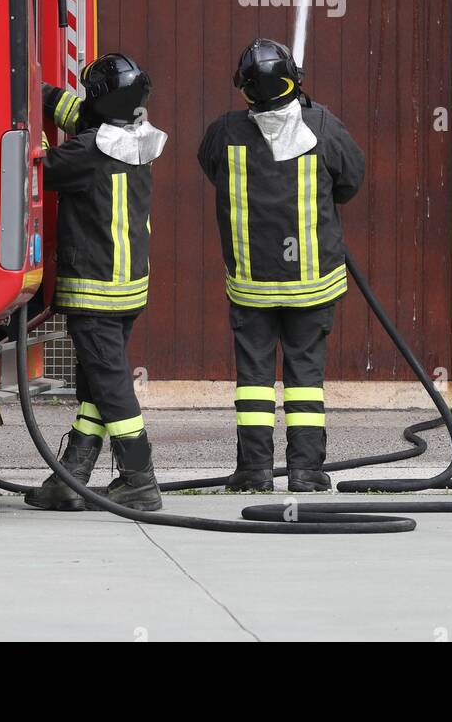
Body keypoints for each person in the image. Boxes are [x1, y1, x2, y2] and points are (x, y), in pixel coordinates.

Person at [198, 38, 365, 493]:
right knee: (305, 379)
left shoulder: (224, 132)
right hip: (312, 284)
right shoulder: (324, 127)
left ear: (246, 90)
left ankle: (253, 473)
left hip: (252, 286)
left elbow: (210, 168)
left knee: (253, 381)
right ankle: (307, 472)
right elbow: (351, 180)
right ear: (295, 80)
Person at [26, 54, 167, 513]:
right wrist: (42, 92)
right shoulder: (138, 138)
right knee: (94, 387)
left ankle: (139, 480)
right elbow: (87, 115)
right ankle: (72, 480)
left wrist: (28, 126)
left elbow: (34, 170)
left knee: (110, 386)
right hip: (126, 292)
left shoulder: (87, 152)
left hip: (95, 293)